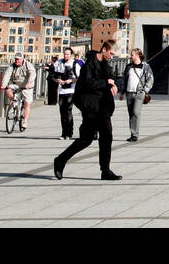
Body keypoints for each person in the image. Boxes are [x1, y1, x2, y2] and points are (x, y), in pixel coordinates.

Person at [54, 40, 121, 181]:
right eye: (110, 53)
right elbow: (88, 84)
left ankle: (105, 170)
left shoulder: (105, 64)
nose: (111, 56)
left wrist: (112, 82)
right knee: (86, 140)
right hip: (91, 107)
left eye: (113, 54)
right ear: (103, 49)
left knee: (107, 137)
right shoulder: (89, 65)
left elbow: (110, 76)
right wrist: (106, 83)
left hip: (103, 107)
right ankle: (60, 160)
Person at [120, 47, 154, 142]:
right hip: (129, 92)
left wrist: (145, 90)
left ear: (138, 55)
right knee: (131, 114)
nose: (130, 56)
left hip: (139, 93)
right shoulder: (128, 66)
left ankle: (135, 134)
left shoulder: (145, 67)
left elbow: (150, 79)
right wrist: (122, 92)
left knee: (135, 112)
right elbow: (124, 79)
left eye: (132, 55)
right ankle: (132, 133)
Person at [2, 53, 36, 131]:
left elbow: (32, 74)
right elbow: (7, 75)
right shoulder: (12, 66)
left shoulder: (28, 65)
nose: (16, 61)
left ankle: (25, 121)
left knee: (27, 103)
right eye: (16, 59)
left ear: (22, 59)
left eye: (18, 59)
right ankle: (14, 101)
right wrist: (3, 85)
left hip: (27, 86)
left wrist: (29, 83)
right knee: (8, 89)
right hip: (17, 84)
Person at [53, 47, 79, 140]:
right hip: (61, 91)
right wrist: (58, 80)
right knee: (62, 112)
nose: (65, 56)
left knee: (68, 111)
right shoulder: (58, 63)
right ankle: (64, 133)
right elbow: (54, 75)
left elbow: (79, 78)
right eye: (64, 54)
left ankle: (69, 133)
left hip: (71, 91)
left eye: (68, 54)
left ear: (71, 55)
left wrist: (71, 80)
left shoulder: (75, 64)